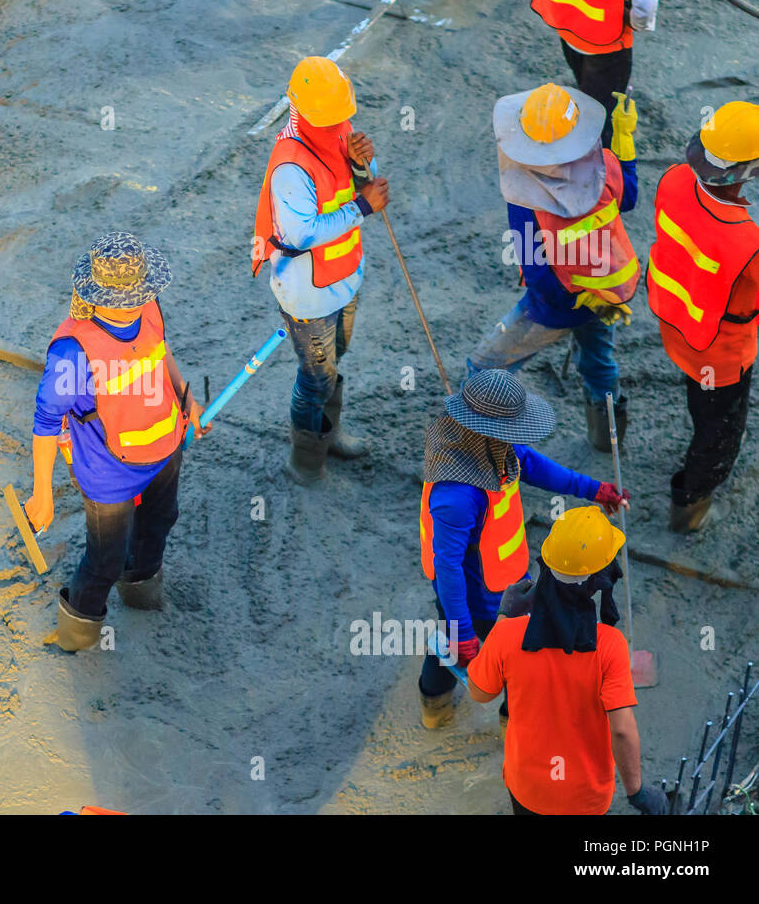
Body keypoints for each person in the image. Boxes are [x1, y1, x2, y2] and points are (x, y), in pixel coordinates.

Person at [25, 233, 207, 652]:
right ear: (97, 295)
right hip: (108, 473)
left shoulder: (149, 309)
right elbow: (46, 422)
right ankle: (77, 638)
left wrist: (187, 399)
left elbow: (160, 353)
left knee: (159, 525)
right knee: (105, 558)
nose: (137, 303)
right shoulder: (73, 352)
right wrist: (42, 494)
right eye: (129, 296)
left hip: (165, 451)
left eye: (141, 294)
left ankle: (141, 591)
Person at [417, 369, 628, 729]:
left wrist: (591, 489)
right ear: (489, 428)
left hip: (507, 577)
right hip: (478, 596)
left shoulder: (482, 442)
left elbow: (528, 462)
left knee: (462, 647)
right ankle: (483, 719)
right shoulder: (455, 496)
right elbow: (448, 568)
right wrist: (463, 629)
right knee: (511, 655)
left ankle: (437, 707)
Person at [467, 83, 642, 451]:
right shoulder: (603, 164)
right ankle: (607, 439)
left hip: (557, 304)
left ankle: (481, 451)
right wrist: (624, 136)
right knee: (598, 362)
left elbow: (536, 272)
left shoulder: (524, 195)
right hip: (606, 291)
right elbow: (628, 198)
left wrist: (569, 304)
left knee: (483, 368)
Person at [467, 506, 669, 815]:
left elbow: (480, 693)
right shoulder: (609, 646)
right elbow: (622, 730)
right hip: (584, 796)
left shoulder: (508, 634)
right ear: (599, 580)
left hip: (527, 787)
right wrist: (637, 791)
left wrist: (504, 619)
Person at [251, 56, 389, 483]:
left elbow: (363, 181)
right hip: (308, 293)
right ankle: (306, 458)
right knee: (315, 377)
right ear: (304, 109)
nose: (340, 125)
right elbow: (300, 235)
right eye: (331, 117)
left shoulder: (336, 127)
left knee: (333, 362)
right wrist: (363, 206)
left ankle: (330, 433)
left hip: (345, 277)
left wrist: (363, 164)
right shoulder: (290, 165)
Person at [646, 101, 759, 532]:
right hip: (723, 356)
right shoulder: (746, 241)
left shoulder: (674, 180)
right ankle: (691, 507)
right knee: (719, 434)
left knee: (702, 403)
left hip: (676, 326)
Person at [529, 0, 657, 147]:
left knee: (584, 78)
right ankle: (600, 150)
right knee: (603, 107)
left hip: (565, 22)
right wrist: (635, 23)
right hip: (606, 41)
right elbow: (645, 4)